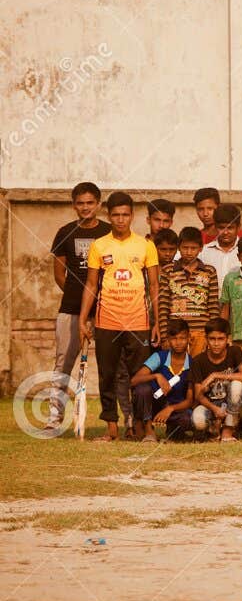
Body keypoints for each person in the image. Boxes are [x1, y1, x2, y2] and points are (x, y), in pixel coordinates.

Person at [75, 191, 159, 440]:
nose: (121, 219)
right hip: (106, 322)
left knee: (141, 376)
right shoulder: (99, 245)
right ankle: (111, 426)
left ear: (132, 216)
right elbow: (91, 284)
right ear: (108, 216)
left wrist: (157, 322)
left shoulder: (145, 245)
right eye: (115, 215)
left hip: (139, 321)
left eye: (125, 215)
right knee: (108, 375)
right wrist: (82, 320)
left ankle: (145, 426)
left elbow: (154, 285)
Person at [49, 182, 110, 425]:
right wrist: (79, 298)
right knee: (63, 363)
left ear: (98, 204)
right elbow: (58, 274)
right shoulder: (65, 232)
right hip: (71, 309)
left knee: (115, 368)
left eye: (90, 203)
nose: (85, 207)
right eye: (80, 203)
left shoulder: (108, 232)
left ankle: (123, 420)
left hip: (107, 310)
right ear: (74, 205)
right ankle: (55, 418)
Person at [156, 226, 221, 348]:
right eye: (185, 248)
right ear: (179, 248)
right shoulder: (168, 271)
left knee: (199, 366)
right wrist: (165, 336)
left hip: (201, 331)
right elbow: (163, 305)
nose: (189, 252)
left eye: (193, 248)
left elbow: (213, 306)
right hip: (176, 333)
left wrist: (212, 335)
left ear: (200, 248)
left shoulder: (209, 271)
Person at [129, 323, 194, 442]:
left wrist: (170, 409)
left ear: (189, 339)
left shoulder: (192, 363)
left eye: (182, 338)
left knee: (188, 418)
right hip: (153, 405)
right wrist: (156, 375)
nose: (178, 342)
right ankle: (148, 429)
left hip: (175, 408)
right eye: (174, 338)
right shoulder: (159, 357)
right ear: (168, 340)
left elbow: (189, 401)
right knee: (142, 389)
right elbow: (134, 381)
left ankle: (173, 431)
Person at [189, 319, 242, 442]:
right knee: (198, 420)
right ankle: (214, 431)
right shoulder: (198, 360)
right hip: (211, 406)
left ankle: (228, 429)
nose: (216, 343)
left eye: (221, 339)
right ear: (206, 339)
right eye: (212, 339)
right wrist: (215, 409)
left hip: (231, 405)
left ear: (228, 339)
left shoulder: (234, 351)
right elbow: (198, 395)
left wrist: (216, 375)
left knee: (237, 384)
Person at [201, 203, 242, 279]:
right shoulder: (204, 252)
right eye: (221, 228)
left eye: (230, 228)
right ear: (215, 227)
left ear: (238, 227)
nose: (225, 232)